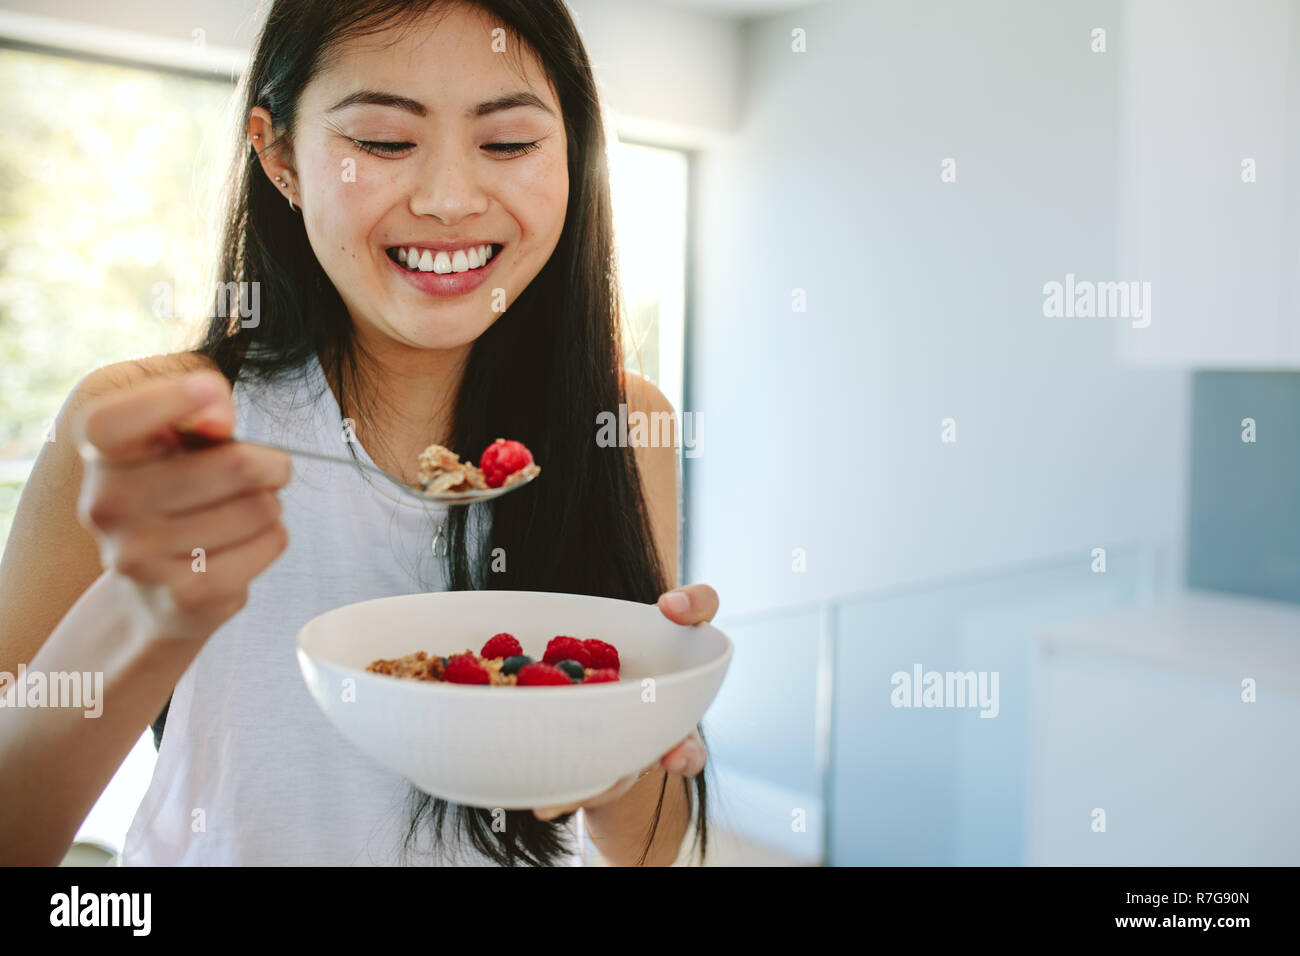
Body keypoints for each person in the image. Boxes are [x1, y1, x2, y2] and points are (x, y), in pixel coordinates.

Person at [0, 0, 716, 866]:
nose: (451, 200)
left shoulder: (627, 426)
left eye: (510, 144)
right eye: (381, 142)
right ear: (280, 157)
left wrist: (629, 731)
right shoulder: (161, 427)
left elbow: (650, 845)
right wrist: (139, 607)